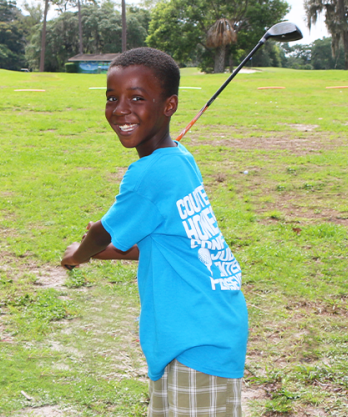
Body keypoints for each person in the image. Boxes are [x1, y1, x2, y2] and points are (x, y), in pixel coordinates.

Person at [60, 47, 248, 417]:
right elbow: (169, 243)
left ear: (169, 105)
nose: (120, 109)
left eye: (138, 98)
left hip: (197, 339)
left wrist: (77, 255)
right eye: (112, 98)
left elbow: (100, 234)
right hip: (207, 326)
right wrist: (108, 249)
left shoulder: (152, 172)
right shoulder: (179, 158)